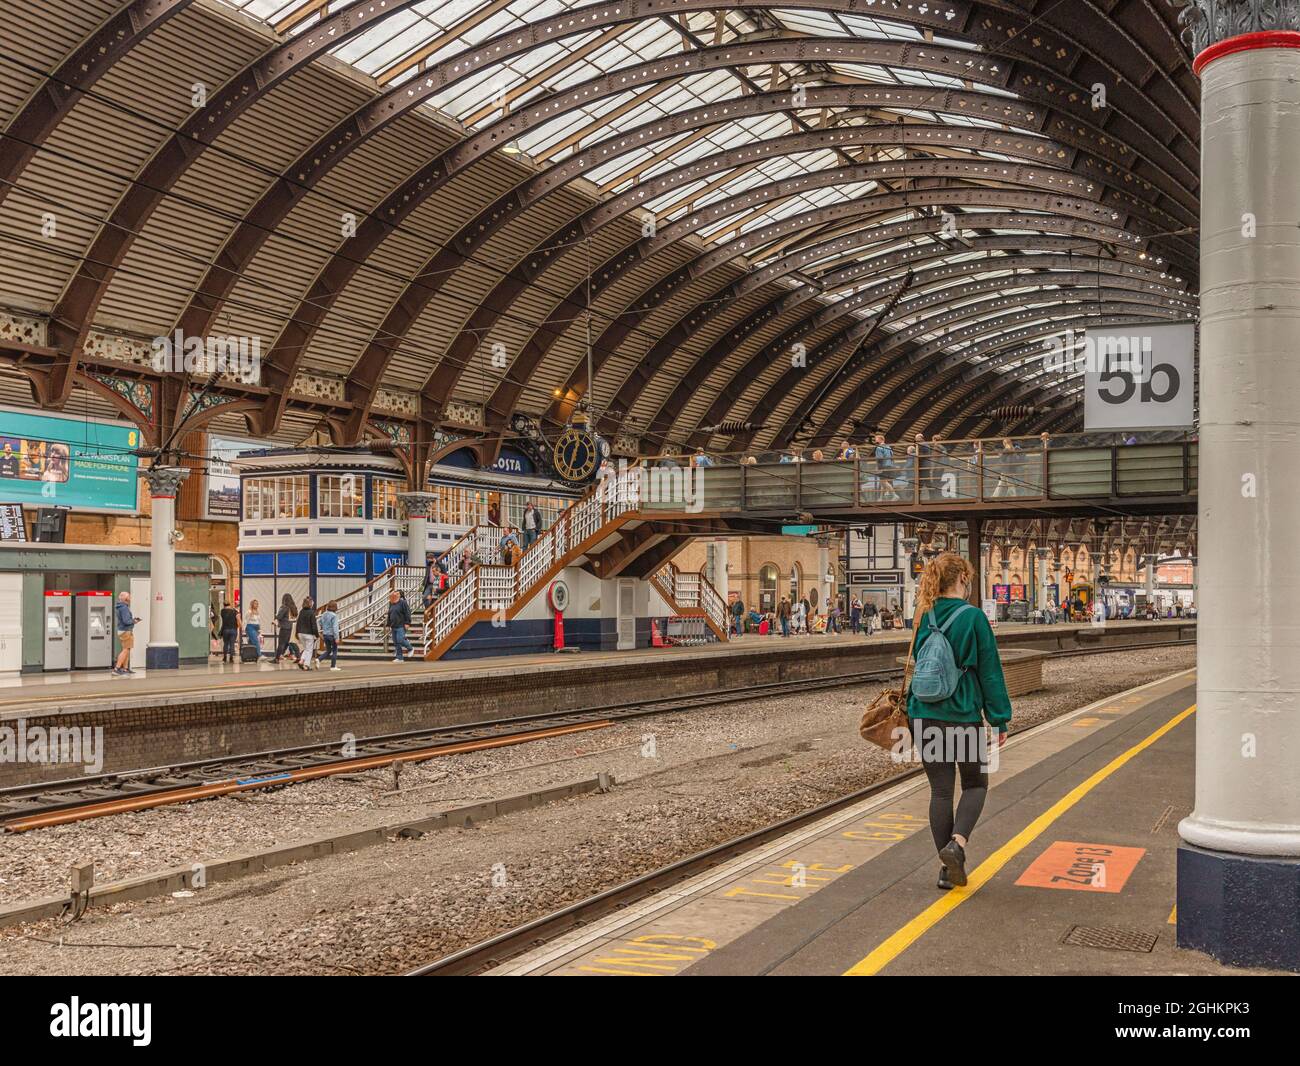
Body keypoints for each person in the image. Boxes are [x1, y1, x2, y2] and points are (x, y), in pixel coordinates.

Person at [907, 552, 1012, 891]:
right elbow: (990, 673)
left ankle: (946, 869)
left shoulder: (924, 614)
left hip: (922, 714)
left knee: (940, 791)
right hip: (961, 716)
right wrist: (999, 720)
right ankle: (958, 845)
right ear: (963, 580)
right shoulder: (974, 618)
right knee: (975, 784)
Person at [112, 591, 138, 676]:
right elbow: (126, 621)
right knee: (125, 650)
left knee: (127, 649)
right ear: (126, 599)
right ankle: (117, 668)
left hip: (122, 630)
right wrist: (134, 621)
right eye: (129, 597)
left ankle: (125, 668)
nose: (130, 598)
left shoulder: (120, 607)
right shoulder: (124, 608)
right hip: (126, 630)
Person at [388, 589, 414, 662]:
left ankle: (410, 648)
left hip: (401, 625)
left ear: (400, 595)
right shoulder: (392, 603)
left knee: (400, 640)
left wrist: (407, 623)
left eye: (397, 593)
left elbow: (407, 613)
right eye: (395, 593)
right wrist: (388, 624)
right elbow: (389, 614)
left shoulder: (403, 603)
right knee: (396, 642)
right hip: (393, 625)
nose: (395, 594)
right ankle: (399, 658)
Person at [873, 433, 899, 501]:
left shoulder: (879, 447)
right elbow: (892, 457)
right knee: (884, 482)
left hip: (883, 466)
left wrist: (877, 467)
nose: (875, 440)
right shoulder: (889, 447)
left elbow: (879, 458)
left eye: (876, 439)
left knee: (883, 482)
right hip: (890, 465)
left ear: (880, 439)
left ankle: (895, 495)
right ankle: (881, 498)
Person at [295, 596, 318, 670]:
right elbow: (314, 625)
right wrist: (316, 635)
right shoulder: (311, 612)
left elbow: (298, 623)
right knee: (309, 650)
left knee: (306, 649)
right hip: (308, 634)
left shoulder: (301, 611)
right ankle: (306, 665)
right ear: (310, 603)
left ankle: (301, 661)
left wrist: (297, 633)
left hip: (300, 633)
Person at [273, 594, 297, 664]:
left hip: (285, 627)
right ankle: (298, 656)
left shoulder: (284, 607)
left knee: (281, 644)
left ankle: (276, 659)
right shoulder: (294, 607)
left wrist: (276, 616)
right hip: (292, 627)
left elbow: (279, 617)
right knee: (291, 643)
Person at [319, 600, 340, 671]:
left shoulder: (324, 614)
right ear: (335, 607)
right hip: (332, 635)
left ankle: (319, 659)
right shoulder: (334, 616)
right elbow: (335, 627)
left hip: (325, 634)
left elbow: (320, 622)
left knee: (328, 651)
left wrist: (324, 627)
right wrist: (337, 637)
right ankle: (333, 666)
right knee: (334, 650)